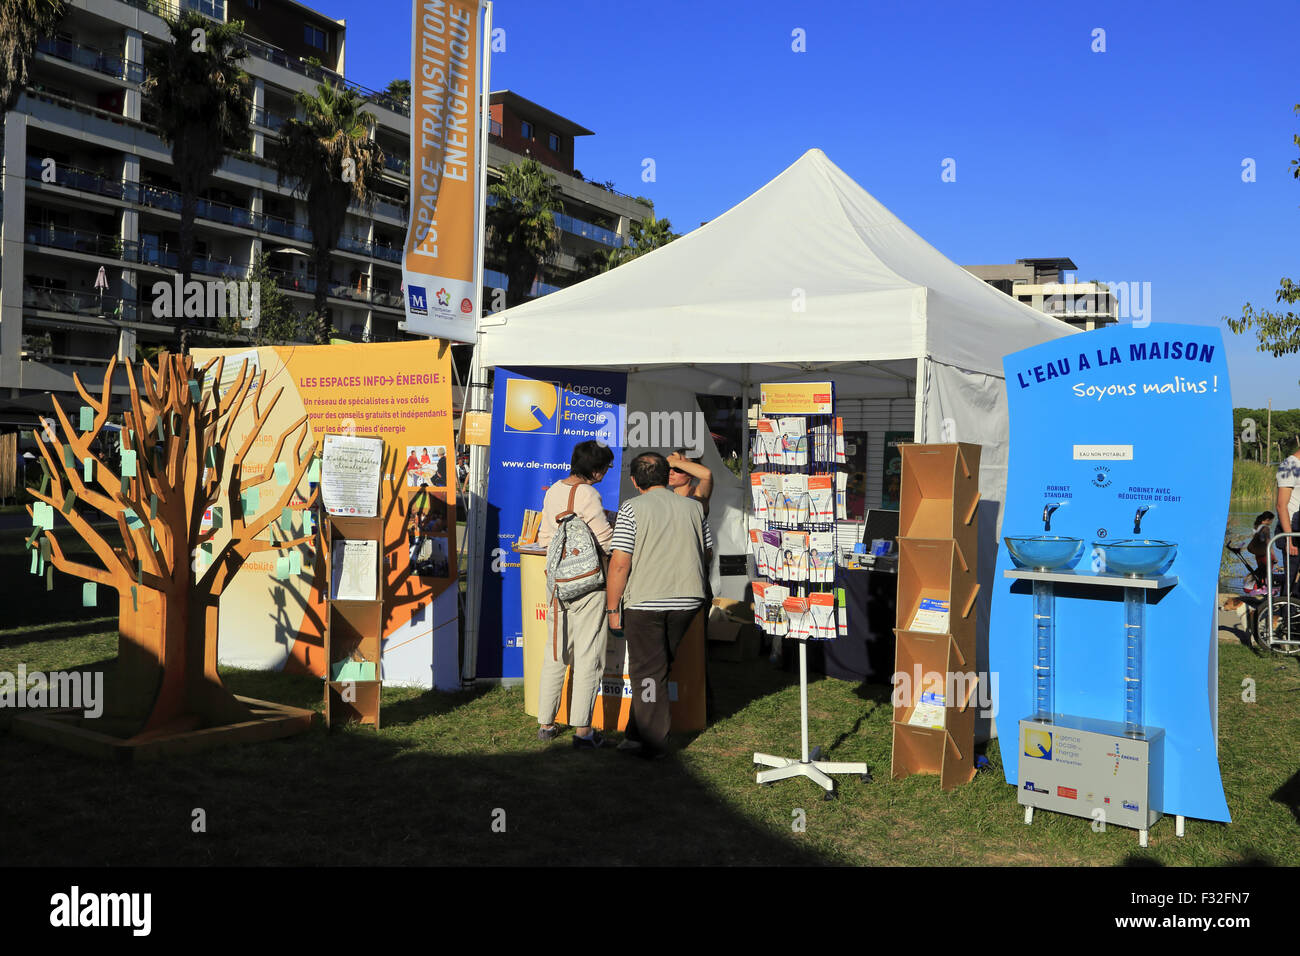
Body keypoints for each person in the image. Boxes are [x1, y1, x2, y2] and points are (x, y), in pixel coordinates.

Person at [605, 452, 713, 759]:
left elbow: (619, 564)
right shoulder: (694, 507)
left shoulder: (631, 508)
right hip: (688, 598)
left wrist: (613, 610)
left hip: (647, 601)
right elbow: (706, 553)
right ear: (666, 475)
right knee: (658, 667)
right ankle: (635, 734)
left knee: (648, 672)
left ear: (634, 481)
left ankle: (653, 742)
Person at [535, 440, 615, 749]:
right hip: (588, 583)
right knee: (588, 655)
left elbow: (545, 538)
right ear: (594, 471)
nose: (606, 473)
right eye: (606, 468)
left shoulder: (554, 490)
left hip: (556, 581)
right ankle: (583, 731)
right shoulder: (588, 494)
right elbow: (606, 541)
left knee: (555, 650)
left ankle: (546, 722)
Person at [1277, 443, 1300, 594]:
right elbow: (1281, 505)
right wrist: (1289, 538)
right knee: (1291, 581)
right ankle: (1287, 615)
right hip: (1292, 529)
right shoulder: (1290, 465)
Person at [666, 449, 713, 515]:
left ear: (691, 472)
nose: (671, 472)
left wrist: (675, 462)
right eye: (669, 467)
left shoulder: (697, 498)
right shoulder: (666, 498)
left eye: (678, 469)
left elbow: (707, 475)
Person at [1245, 511, 1275, 595]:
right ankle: (1266, 589)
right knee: (1267, 571)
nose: (1271, 523)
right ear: (1267, 520)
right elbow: (1268, 542)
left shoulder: (1257, 526)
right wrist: (1274, 555)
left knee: (1261, 570)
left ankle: (1260, 587)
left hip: (1258, 554)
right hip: (1264, 553)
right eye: (1271, 521)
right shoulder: (1265, 528)